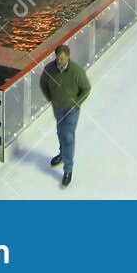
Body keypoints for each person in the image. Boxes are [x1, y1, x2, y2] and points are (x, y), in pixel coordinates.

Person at [39, 44, 90, 189]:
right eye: (57, 58)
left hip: (71, 109)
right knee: (60, 132)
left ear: (68, 56)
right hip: (58, 107)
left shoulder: (76, 71)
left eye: (62, 58)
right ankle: (62, 154)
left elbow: (86, 88)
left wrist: (77, 103)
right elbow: (43, 84)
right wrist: (51, 99)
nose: (59, 61)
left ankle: (68, 169)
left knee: (68, 136)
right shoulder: (50, 69)